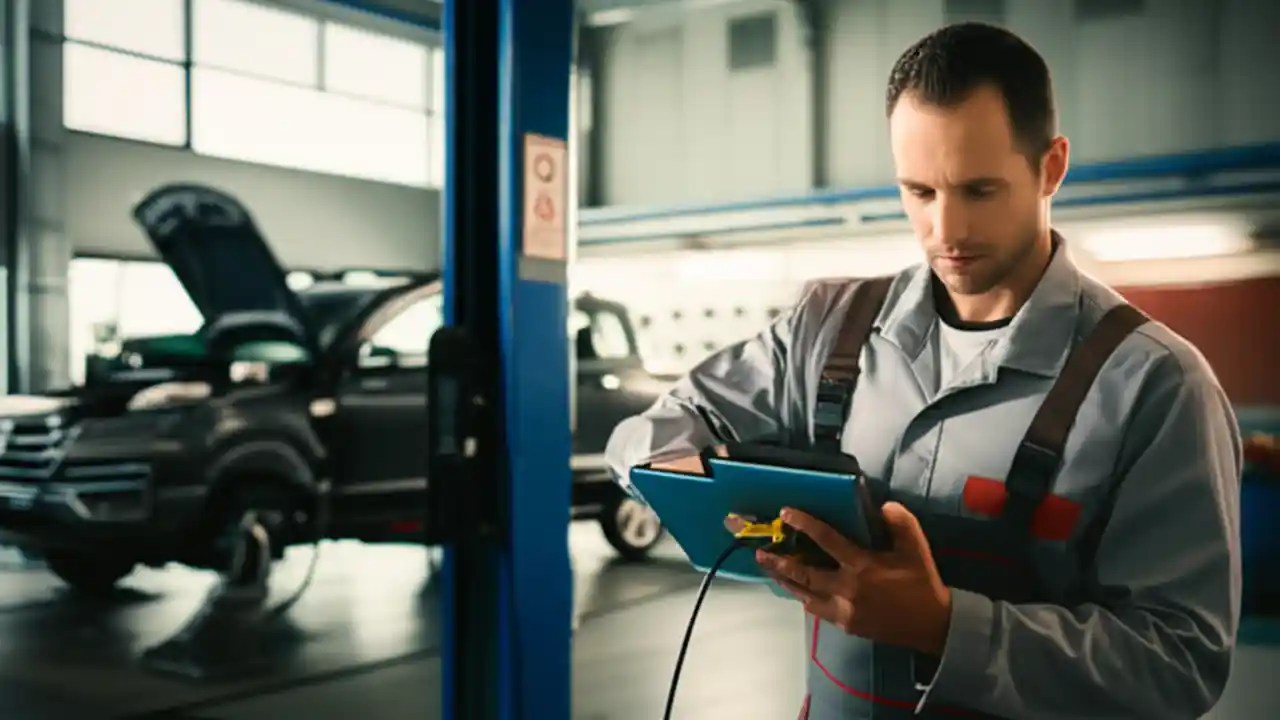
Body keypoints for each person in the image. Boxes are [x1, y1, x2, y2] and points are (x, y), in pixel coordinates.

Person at [604, 22, 1241, 720]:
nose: (946, 230)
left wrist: (944, 626)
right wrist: (683, 476)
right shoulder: (826, 330)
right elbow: (645, 435)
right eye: (919, 191)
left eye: (979, 190)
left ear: (1051, 167)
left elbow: (1178, 665)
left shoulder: (1154, 387)